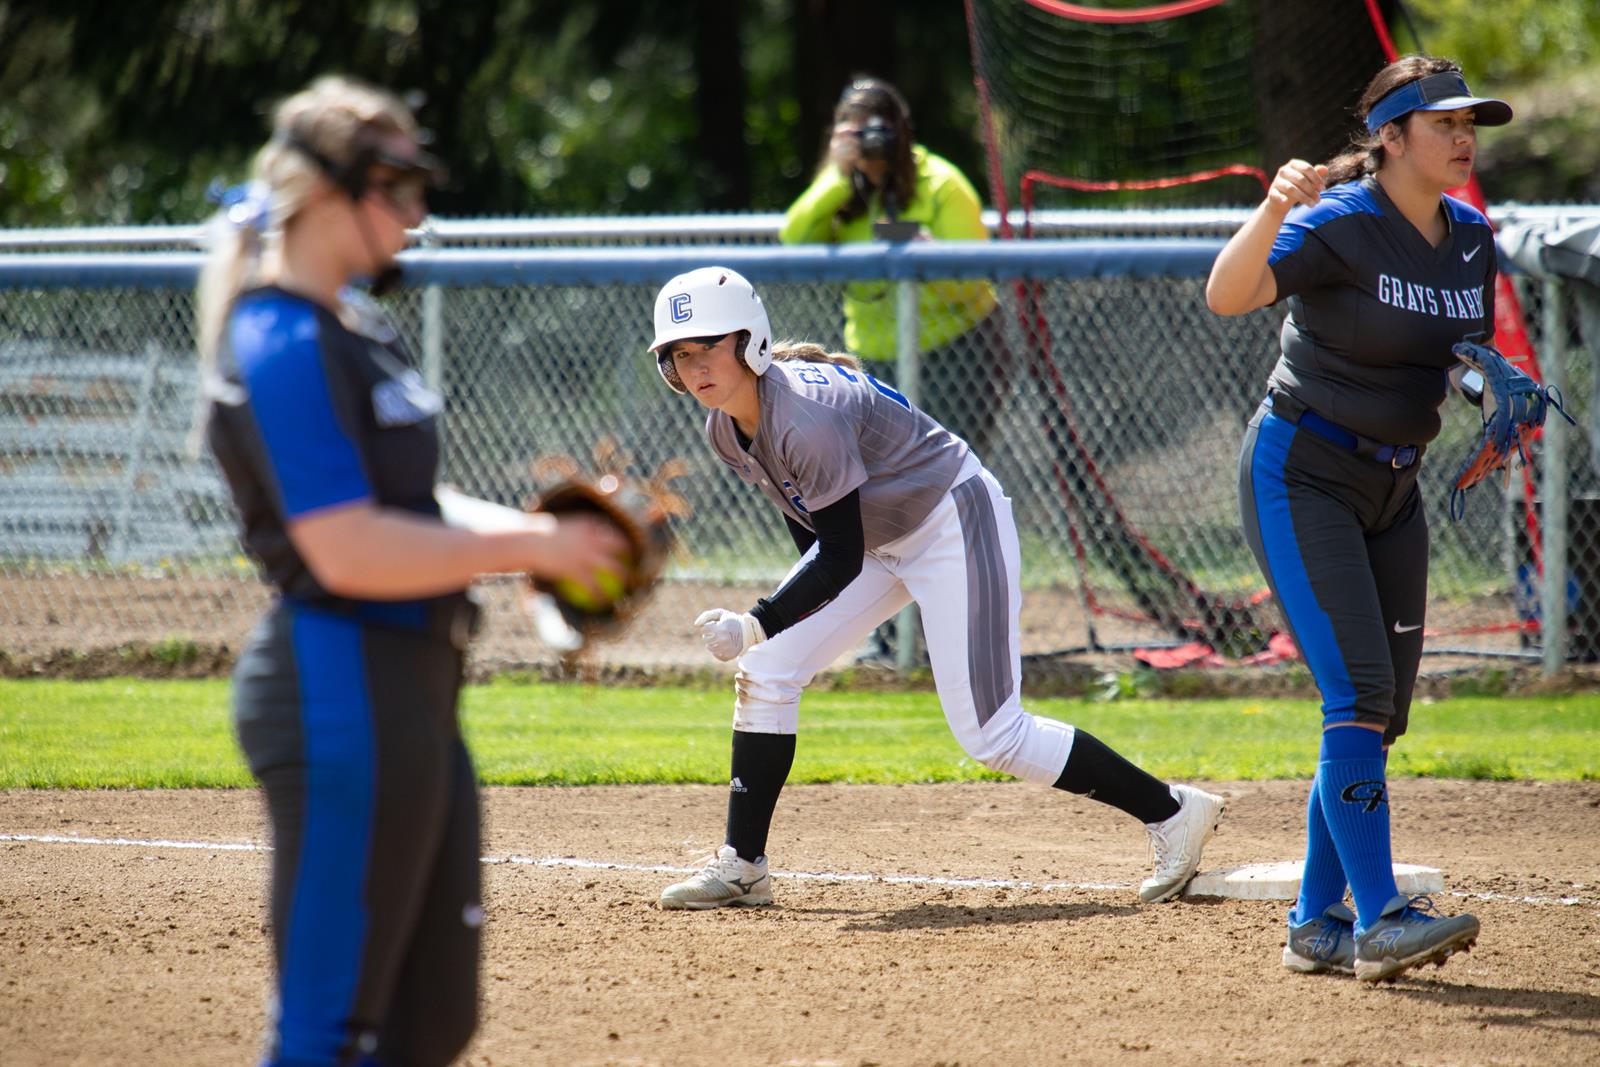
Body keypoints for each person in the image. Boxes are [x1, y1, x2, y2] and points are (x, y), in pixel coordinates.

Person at [197, 76, 625, 1065]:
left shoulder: (354, 327)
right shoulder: (277, 336)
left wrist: (537, 530)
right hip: (337, 688)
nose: (415, 208)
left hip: (412, 686)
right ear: (327, 191)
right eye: (395, 182)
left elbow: (415, 511)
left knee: (432, 1020)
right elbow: (344, 544)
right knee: (332, 1027)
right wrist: (529, 548)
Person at [644, 265, 1225, 911]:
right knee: (771, 665)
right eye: (679, 353)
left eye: (708, 346)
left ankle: (1173, 811)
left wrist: (759, 618)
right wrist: (781, 628)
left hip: (950, 518)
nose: (694, 365)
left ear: (750, 341)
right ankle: (744, 865)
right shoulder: (725, 426)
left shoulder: (804, 416)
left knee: (993, 733)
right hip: (875, 539)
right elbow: (813, 538)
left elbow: (835, 553)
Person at [1206, 55, 1502, 982]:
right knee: (1358, 695)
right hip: (1304, 473)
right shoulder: (1336, 222)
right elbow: (1228, 294)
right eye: (1444, 121)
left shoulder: (1468, 239)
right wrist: (1271, 210)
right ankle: (1377, 919)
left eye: (1471, 123)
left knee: (1382, 712)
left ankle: (1313, 922)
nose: (1463, 138)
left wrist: (1486, 382)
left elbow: (1455, 351)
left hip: (1395, 488)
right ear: (1390, 135)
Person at [779, 76, 1008, 462]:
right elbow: (795, 240)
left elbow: (972, 282)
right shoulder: (839, 191)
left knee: (948, 472)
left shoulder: (942, 185)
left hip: (956, 357)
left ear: (900, 132)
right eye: (856, 134)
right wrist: (836, 175)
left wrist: (928, 261)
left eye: (876, 131)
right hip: (872, 360)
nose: (870, 146)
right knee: (883, 481)